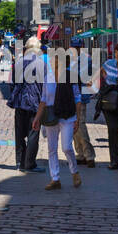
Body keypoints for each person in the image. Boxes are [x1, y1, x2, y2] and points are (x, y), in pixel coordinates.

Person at [36, 45, 81, 190]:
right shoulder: (47, 77)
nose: (50, 60)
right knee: (52, 148)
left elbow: (77, 98)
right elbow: (43, 99)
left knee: (67, 147)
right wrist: (37, 118)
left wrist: (78, 119)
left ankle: (74, 171)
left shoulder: (70, 75)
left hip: (67, 115)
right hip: (51, 116)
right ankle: (55, 178)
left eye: (53, 58)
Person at [8, 37, 43, 171]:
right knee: (33, 133)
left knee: (20, 133)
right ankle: (30, 163)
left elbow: (12, 83)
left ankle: (20, 162)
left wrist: (15, 97)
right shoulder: (41, 64)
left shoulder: (18, 63)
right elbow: (45, 84)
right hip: (35, 102)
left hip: (20, 102)